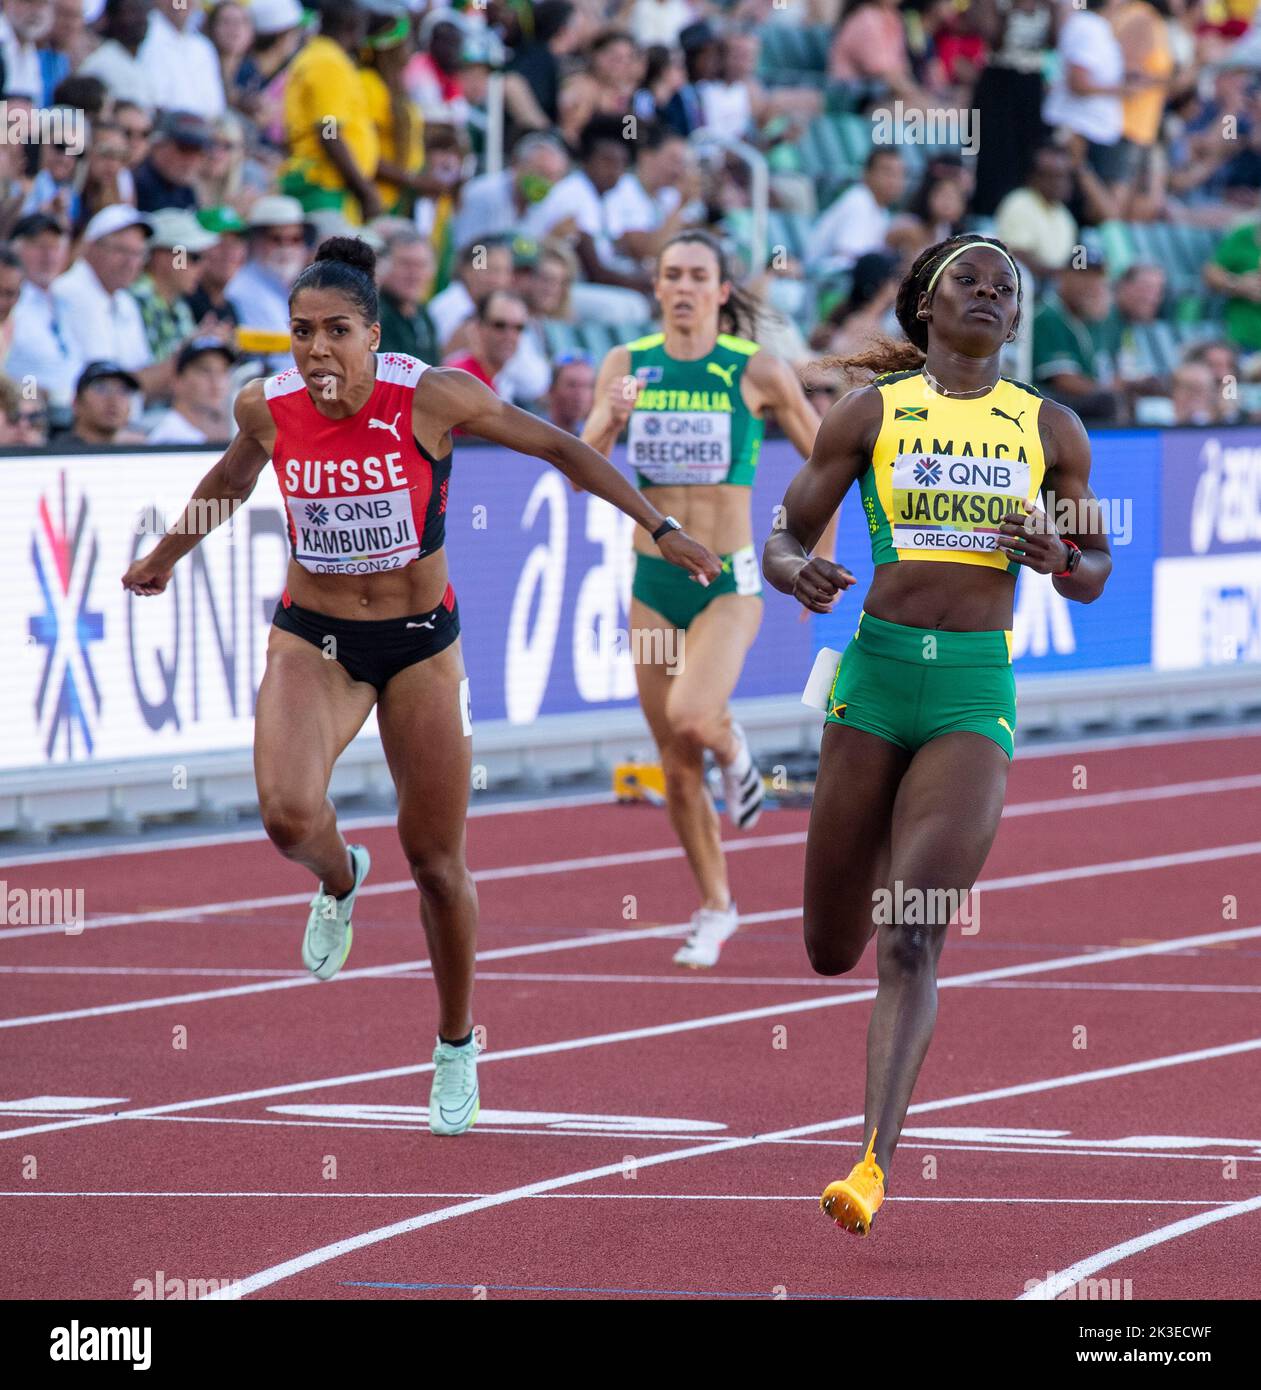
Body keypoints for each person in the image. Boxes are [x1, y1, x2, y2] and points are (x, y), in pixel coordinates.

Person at [121, 236, 719, 1137]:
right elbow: (229, 483)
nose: (315, 351)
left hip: (419, 646)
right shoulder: (267, 405)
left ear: (373, 334)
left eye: (335, 333)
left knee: (437, 865)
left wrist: (660, 524)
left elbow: (559, 447)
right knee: (286, 815)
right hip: (312, 639)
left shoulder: (430, 395)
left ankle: (453, 1043)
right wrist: (166, 555)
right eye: (299, 333)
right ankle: (338, 877)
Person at [761, 233, 1112, 1235]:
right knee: (831, 947)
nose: (991, 293)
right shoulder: (869, 411)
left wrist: (1057, 556)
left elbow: (1095, 569)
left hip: (970, 692)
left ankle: (871, 1162)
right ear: (926, 305)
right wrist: (798, 573)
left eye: (1007, 286)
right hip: (870, 684)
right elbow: (784, 535)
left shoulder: (1048, 427)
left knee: (911, 933)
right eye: (970, 278)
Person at [581, 230, 825, 968]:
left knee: (694, 716)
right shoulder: (626, 364)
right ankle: (716, 906)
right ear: (655, 289)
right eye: (670, 275)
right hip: (650, 583)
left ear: (721, 292)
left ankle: (736, 749)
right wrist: (612, 417)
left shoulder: (754, 369)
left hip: (728, 580)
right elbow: (579, 461)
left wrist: (817, 560)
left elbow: (828, 462)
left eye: (698, 276)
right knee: (674, 762)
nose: (683, 287)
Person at [806, 149, 906, 276]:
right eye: (887, 172)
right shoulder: (859, 200)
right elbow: (846, 260)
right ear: (867, 173)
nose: (894, 181)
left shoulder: (882, 212)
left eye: (899, 174)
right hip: (823, 280)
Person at [146, 336, 235, 443]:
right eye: (205, 370)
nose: (216, 381)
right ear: (177, 380)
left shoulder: (229, 433)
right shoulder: (169, 438)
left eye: (223, 371)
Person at [376, 226, 440, 362]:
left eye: (421, 265)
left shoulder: (424, 315)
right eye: (405, 264)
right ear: (384, 266)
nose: (414, 274)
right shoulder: (374, 314)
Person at [61, 358, 145, 444]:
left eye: (123, 391)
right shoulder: (56, 454)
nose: (114, 400)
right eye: (101, 389)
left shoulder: (137, 453)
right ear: (76, 402)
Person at [544, 351, 594, 434]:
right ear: (552, 390)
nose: (579, 395)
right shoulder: (529, 433)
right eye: (572, 385)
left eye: (586, 386)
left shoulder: (594, 438)